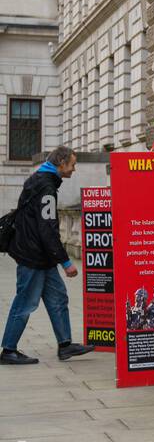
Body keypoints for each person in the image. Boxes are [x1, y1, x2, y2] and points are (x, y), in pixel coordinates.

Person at [2, 147, 94, 364]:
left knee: (58, 298)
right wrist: (66, 261)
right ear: (61, 163)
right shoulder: (46, 186)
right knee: (25, 302)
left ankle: (65, 345)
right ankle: (8, 351)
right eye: (72, 164)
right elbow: (47, 228)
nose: (74, 169)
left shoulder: (40, 179)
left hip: (40, 256)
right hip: (33, 256)